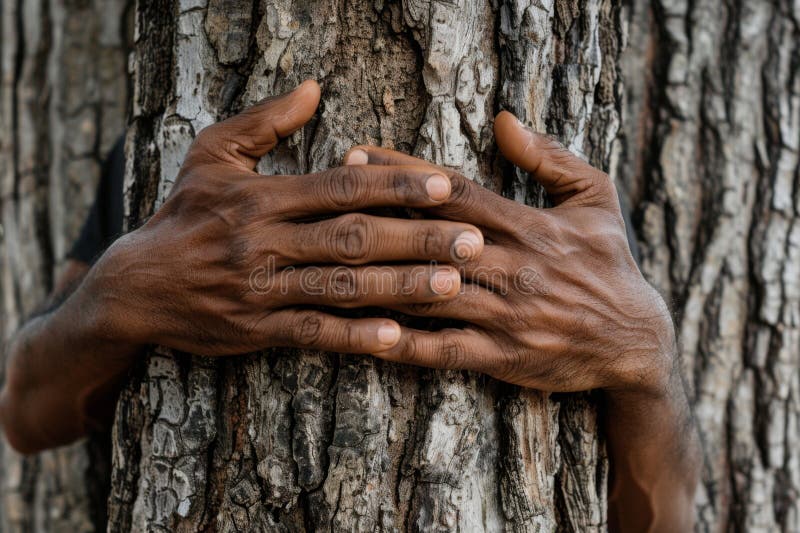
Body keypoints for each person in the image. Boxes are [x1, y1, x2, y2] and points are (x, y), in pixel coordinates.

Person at [0, 80, 699, 531]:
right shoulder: (168, 155)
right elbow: (25, 411)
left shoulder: (567, 206)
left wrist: (649, 361)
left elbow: (664, 518)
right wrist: (118, 293)